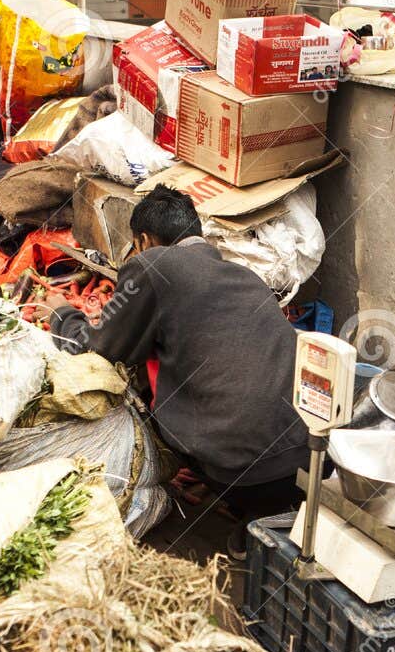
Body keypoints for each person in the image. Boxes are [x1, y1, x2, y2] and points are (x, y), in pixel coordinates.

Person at [48, 185, 306, 551]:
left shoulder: (154, 264)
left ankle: (234, 495)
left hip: (240, 468)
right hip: (300, 460)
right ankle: (254, 516)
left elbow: (98, 349)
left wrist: (62, 313)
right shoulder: (245, 277)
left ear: (143, 240)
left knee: (133, 400)